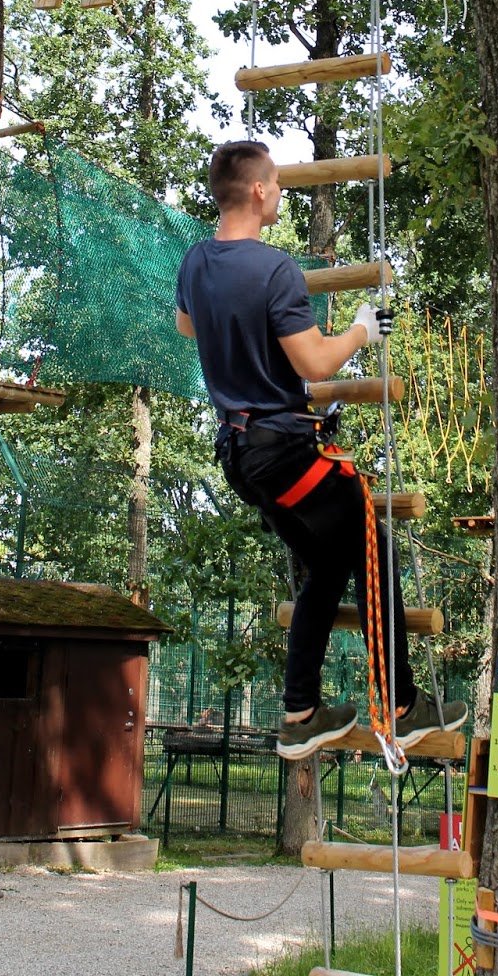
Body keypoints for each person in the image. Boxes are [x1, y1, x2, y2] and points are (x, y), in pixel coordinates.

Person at [175, 139, 468, 761]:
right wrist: (362, 327)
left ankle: (300, 712)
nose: (280, 191)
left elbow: (188, 326)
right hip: (283, 452)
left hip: (240, 453)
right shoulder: (273, 269)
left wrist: (251, 349)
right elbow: (312, 359)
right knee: (375, 553)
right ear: (257, 190)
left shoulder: (196, 263)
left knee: (328, 569)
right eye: (276, 183)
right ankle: (403, 706)